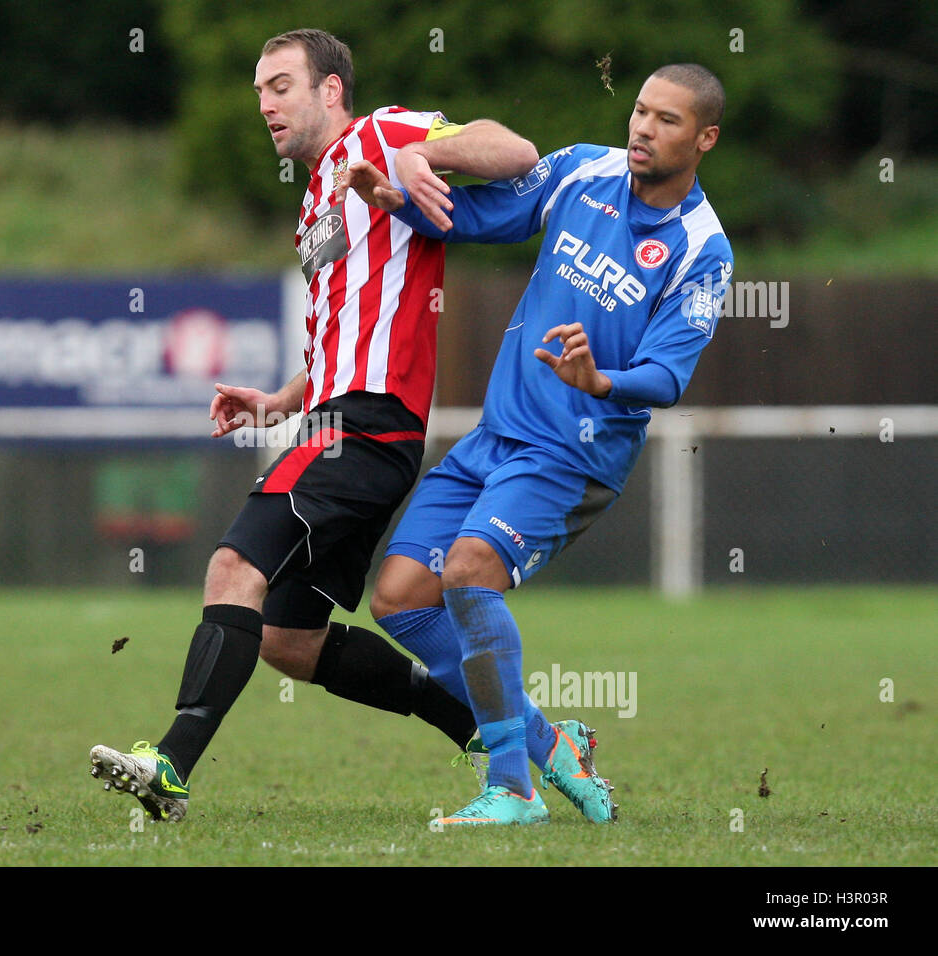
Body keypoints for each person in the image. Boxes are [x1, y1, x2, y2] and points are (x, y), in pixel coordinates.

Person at [88, 29, 539, 822]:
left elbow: (515, 150)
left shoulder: (378, 135)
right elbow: (344, 333)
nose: (266, 103)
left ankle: (170, 762)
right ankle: (489, 735)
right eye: (260, 89)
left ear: (331, 91)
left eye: (282, 85)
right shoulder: (316, 201)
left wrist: (426, 156)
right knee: (287, 639)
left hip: (360, 428)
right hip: (343, 421)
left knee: (233, 567)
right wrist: (280, 400)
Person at [340, 63, 733, 825]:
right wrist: (399, 200)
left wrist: (601, 381)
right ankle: (554, 744)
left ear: (705, 138)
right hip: (496, 434)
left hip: (571, 456)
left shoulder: (702, 251)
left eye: (668, 120)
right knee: (396, 599)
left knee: (467, 573)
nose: (644, 128)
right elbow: (478, 217)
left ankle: (512, 788)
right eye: (641, 111)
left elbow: (667, 373)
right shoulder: (584, 168)